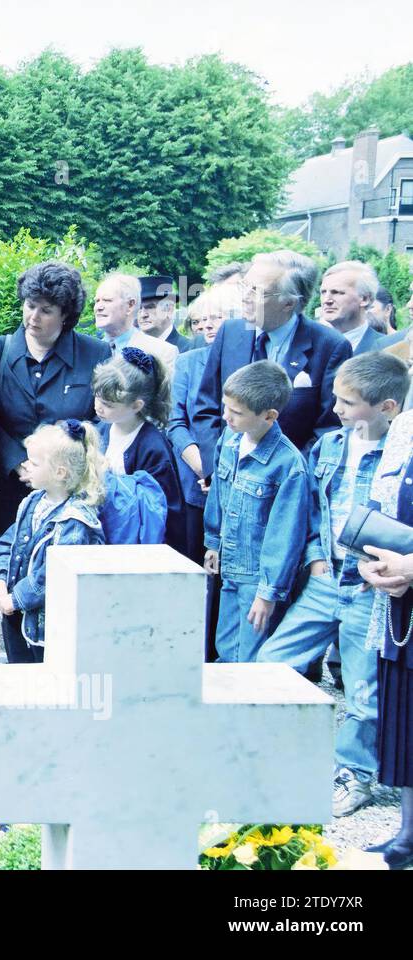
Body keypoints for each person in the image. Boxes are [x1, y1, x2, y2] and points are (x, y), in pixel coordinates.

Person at [256, 351, 409, 818]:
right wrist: (317, 558)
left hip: (369, 589)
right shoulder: (328, 446)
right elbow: (317, 512)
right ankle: (273, 753)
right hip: (327, 582)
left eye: (348, 402)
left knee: (363, 691)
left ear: (387, 408)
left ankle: (354, 774)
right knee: (271, 661)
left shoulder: (400, 460)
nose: (337, 409)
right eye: (336, 398)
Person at [0, 260, 111, 538]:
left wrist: (65, 464)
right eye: (30, 305)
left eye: (46, 310)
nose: (33, 317)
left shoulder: (96, 354)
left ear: (66, 315)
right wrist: (15, 460)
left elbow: (104, 420)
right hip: (6, 488)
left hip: (71, 496)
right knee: (4, 572)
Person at [193, 250, 352, 475]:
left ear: (288, 302)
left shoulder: (330, 346)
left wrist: (285, 475)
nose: (245, 297)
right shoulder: (230, 332)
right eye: (244, 287)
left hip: (287, 484)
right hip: (226, 477)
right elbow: (206, 407)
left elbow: (328, 428)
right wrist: (215, 468)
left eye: (257, 291)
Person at [203, 361, 310, 664]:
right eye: (226, 408)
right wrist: (213, 541)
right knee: (225, 646)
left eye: (236, 413)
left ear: (269, 415)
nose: (226, 417)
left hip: (258, 576)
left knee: (249, 657)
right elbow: (219, 495)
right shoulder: (230, 439)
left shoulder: (288, 464)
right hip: (230, 564)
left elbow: (285, 533)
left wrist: (268, 592)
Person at [0, 421, 106, 663]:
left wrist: (15, 598)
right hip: (17, 616)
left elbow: (53, 575)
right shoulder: (32, 502)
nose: (26, 466)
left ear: (60, 472)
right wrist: (1, 586)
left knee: (42, 690)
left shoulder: (75, 520)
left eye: (34, 463)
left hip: (47, 630)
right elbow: (6, 544)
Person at [355, 407, 413, 870]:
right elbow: (378, 503)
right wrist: (367, 561)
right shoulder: (406, 425)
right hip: (399, 605)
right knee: (406, 717)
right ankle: (409, 832)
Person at [169, 285, 239, 565]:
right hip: (195, 478)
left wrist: (222, 471)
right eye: (199, 321)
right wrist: (205, 468)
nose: (206, 325)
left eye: (216, 317)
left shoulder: (245, 360)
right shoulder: (186, 362)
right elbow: (176, 422)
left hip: (238, 476)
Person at [92, 347, 183, 550]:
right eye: (97, 397)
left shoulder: (153, 447)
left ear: (136, 405)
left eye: (108, 404)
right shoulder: (100, 430)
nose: (98, 407)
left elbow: (162, 512)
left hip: (136, 547)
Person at [93, 273, 179, 371]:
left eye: (107, 300)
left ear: (130, 305)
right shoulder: (87, 350)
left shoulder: (162, 353)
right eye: (97, 301)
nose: (98, 307)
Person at [319, 260, 384, 355]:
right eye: (323, 292)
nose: (326, 300)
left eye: (336, 292)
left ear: (365, 299)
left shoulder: (386, 348)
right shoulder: (307, 345)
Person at [137, 275, 194, 354]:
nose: (143, 314)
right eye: (139, 308)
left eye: (150, 307)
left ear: (169, 310)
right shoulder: (130, 349)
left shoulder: (189, 350)